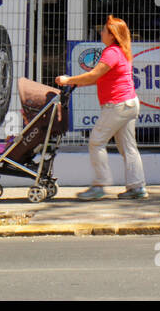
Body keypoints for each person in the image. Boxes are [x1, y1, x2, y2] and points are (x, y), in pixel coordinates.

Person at [56, 15, 148, 200]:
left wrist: (68, 80)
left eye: (105, 30)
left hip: (117, 105)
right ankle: (137, 187)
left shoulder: (112, 52)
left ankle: (100, 184)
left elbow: (93, 75)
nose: (101, 32)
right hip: (129, 103)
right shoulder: (121, 51)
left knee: (96, 142)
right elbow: (101, 78)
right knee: (129, 148)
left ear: (113, 35)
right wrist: (77, 83)